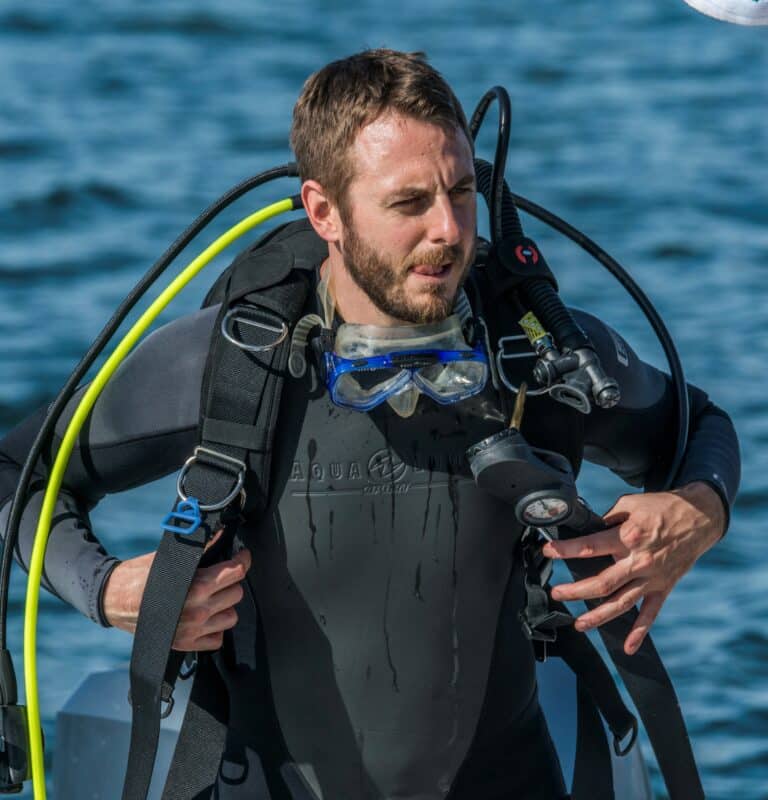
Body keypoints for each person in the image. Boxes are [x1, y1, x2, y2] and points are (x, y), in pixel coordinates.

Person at [0, 50, 740, 799]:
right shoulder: (236, 364)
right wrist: (107, 590)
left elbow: (699, 427)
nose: (448, 230)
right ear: (324, 212)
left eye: (461, 191)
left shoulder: (532, 353)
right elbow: (12, 476)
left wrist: (698, 512)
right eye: (409, 202)